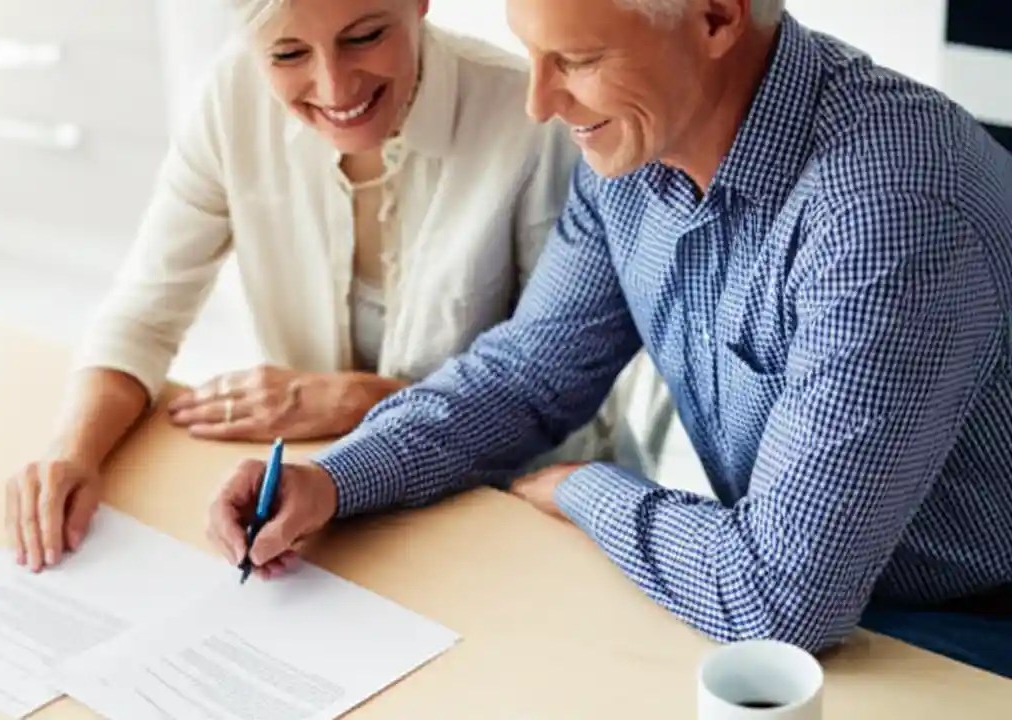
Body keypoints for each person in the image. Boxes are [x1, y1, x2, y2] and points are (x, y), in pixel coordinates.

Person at [206, 0, 1012, 677]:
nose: (539, 103)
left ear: (715, 15)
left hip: (958, 632)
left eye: (579, 60)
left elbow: (777, 598)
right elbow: (525, 375)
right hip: (815, 602)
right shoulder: (633, 142)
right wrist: (337, 481)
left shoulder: (893, 213)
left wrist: (579, 489)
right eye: (532, 54)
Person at [4, 0, 657, 573]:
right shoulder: (232, 97)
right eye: (288, 52)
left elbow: (560, 400)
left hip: (511, 502)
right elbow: (146, 309)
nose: (335, 84)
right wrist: (73, 452)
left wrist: (361, 401)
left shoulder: (536, 117)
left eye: (365, 36)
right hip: (331, 497)